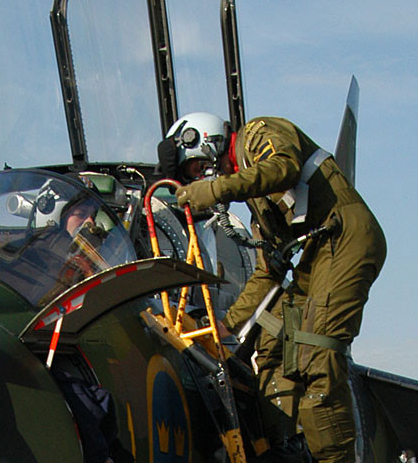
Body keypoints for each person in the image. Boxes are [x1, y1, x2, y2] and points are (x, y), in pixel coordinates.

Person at [158, 112, 386, 463]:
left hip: (345, 238)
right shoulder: (259, 208)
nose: (205, 177)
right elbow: (269, 271)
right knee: (271, 343)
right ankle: (289, 450)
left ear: (208, 140)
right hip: (315, 257)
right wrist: (228, 323)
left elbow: (284, 167)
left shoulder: (259, 133)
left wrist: (214, 190)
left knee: (317, 351)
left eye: (200, 168)